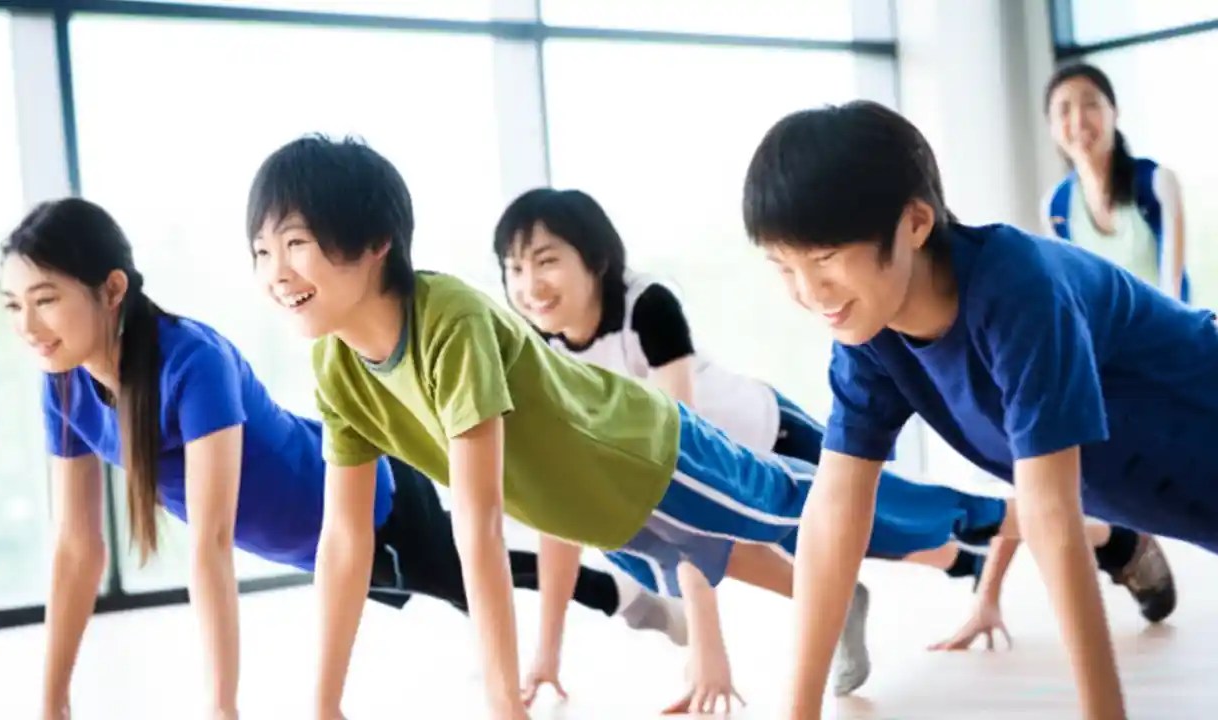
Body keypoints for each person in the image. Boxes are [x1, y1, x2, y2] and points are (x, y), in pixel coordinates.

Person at [247, 134, 887, 719]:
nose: (277, 271)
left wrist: (505, 703)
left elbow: (479, 522)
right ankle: (835, 592)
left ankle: (959, 524)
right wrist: (324, 707)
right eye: (263, 250)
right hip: (591, 507)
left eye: (297, 244)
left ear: (373, 242)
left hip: (645, 450)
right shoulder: (335, 366)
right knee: (718, 551)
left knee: (808, 501)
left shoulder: (451, 321)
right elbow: (343, 540)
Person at [0, 197, 683, 720]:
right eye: (13, 306)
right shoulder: (61, 387)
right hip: (313, 542)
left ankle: (625, 597)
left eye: (46, 300)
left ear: (112, 289)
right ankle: (597, 607)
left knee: (474, 577)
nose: (28, 327)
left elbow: (210, 544)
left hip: (371, 504)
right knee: (469, 586)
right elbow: (75, 548)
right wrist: (52, 701)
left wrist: (221, 707)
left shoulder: (191, 360)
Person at [491, 186, 1174, 699]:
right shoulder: (546, 353)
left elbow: (679, 470)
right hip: (727, 495)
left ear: (597, 257)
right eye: (514, 269)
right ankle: (874, 587)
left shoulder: (647, 308)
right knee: (635, 530)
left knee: (932, 521)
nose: (530, 286)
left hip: (773, 445)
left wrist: (707, 645)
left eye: (545, 261)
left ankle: (1110, 539)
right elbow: (570, 513)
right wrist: (546, 655)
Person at [741, 99, 1202, 720]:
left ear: (914, 222)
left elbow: (1050, 514)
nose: (807, 291)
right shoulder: (869, 338)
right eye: (783, 266)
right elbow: (834, 512)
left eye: (823, 258)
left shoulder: (1017, 288)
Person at [1043, 62, 1190, 302]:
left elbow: (1175, 291)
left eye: (1090, 104)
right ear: (1052, 127)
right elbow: (1072, 297)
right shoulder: (1055, 206)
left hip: (1168, 332)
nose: (1079, 120)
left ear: (1115, 111)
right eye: (1064, 110)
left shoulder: (1156, 183)